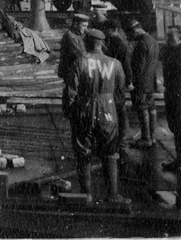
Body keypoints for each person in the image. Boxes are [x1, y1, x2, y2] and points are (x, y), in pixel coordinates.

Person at [63, 28, 129, 203]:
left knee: (83, 151)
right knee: (110, 152)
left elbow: (70, 92)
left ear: (86, 42)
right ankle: (113, 195)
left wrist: (70, 113)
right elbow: (121, 93)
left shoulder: (79, 62)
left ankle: (86, 194)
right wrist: (117, 113)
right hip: (108, 110)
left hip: (85, 109)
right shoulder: (115, 64)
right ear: (102, 44)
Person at [101, 19, 134, 160]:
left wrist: (129, 82)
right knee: (117, 111)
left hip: (116, 83)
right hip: (114, 82)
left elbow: (126, 65)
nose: (104, 32)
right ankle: (120, 143)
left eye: (106, 29)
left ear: (113, 29)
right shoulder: (115, 42)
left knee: (119, 111)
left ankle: (122, 144)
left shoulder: (118, 44)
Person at [127, 20, 159, 148]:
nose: (132, 37)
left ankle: (146, 138)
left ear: (135, 31)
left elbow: (138, 67)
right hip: (151, 82)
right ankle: (153, 136)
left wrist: (131, 81)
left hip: (141, 83)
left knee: (142, 109)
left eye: (132, 34)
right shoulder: (154, 41)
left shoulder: (141, 44)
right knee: (152, 108)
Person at [162, 27, 181, 179]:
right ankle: (178, 159)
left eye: (171, 36)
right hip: (171, 93)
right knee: (174, 127)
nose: (167, 38)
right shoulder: (168, 50)